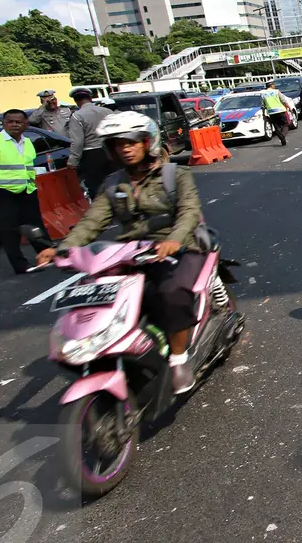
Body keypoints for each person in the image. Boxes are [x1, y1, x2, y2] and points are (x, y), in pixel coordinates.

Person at [35, 111, 208, 393]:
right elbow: (92, 222)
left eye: (131, 142)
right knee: (101, 294)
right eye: (118, 144)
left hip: (180, 246)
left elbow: (189, 212)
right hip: (131, 252)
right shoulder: (113, 183)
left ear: (147, 142)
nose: (125, 148)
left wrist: (174, 240)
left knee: (171, 292)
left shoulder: (176, 174)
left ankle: (179, 359)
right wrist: (62, 249)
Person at [0, 109, 50, 274]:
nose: (14, 125)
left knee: (36, 226)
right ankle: (21, 265)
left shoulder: (27, 142)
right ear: (4, 123)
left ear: (26, 124)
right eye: (10, 121)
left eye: (18, 122)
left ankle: (47, 255)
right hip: (2, 192)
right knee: (8, 230)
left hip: (26, 190)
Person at [68, 88, 114, 194]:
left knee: (97, 187)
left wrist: (72, 161)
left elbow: (78, 141)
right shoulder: (107, 111)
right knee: (115, 182)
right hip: (111, 151)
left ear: (76, 101)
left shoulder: (77, 116)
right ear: (90, 98)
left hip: (91, 155)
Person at [261, 82, 289, 146]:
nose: (274, 86)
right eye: (273, 85)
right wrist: (289, 107)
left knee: (277, 127)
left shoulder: (263, 94)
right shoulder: (276, 91)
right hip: (280, 111)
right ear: (271, 85)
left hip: (271, 112)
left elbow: (263, 105)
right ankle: (283, 135)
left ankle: (282, 139)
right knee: (285, 124)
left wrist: (263, 115)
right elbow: (283, 100)